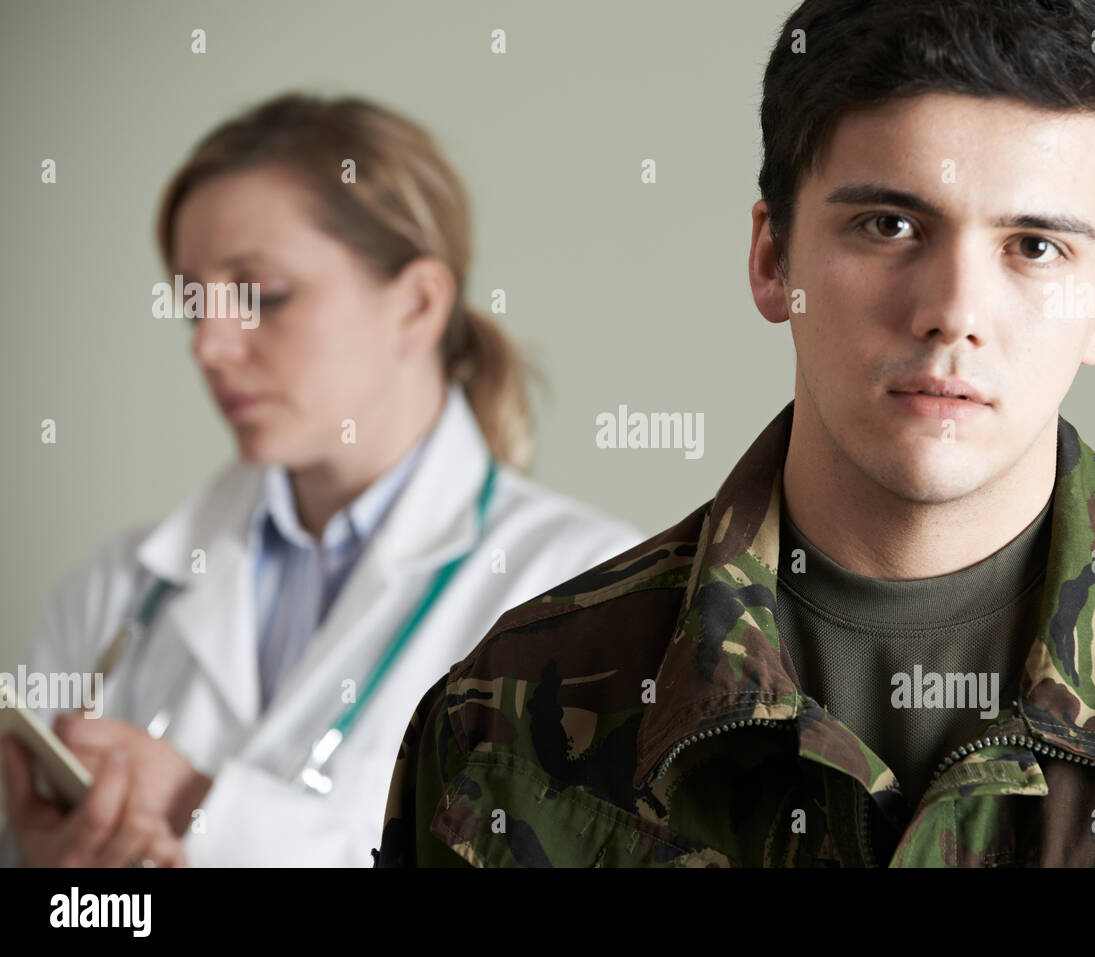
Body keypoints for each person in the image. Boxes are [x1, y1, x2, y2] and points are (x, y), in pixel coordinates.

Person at [376, 0, 1095, 868]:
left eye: (1034, 247)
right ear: (772, 258)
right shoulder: (499, 726)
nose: (953, 313)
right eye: (889, 225)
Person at [0, 92, 641, 868]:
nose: (208, 346)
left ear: (416, 305)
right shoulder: (113, 591)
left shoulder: (591, 592)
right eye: (193, 303)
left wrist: (206, 810)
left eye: (261, 295)